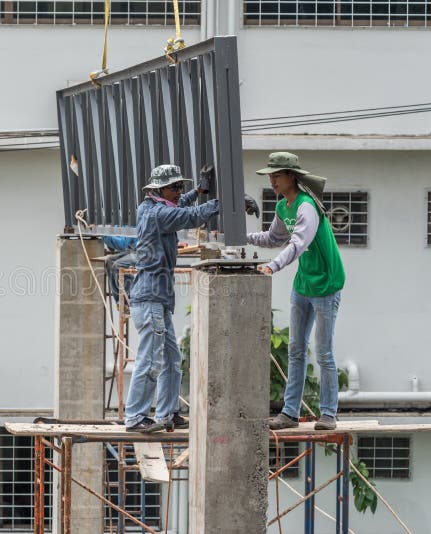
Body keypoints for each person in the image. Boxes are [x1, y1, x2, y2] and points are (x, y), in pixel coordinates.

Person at [125, 163, 260, 433]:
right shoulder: (157, 214)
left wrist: (198, 190)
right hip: (150, 298)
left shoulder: (153, 207)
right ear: (159, 189)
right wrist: (228, 202)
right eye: (175, 187)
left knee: (171, 360)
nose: (179, 191)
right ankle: (136, 417)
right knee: (150, 361)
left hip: (157, 298)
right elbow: (190, 217)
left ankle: (167, 413)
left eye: (181, 187)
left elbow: (182, 206)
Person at [248, 152, 346, 431]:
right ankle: (289, 414)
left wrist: (272, 267)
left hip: (326, 284)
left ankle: (328, 414)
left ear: (292, 176)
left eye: (276, 175)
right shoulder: (283, 207)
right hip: (303, 284)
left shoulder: (306, 207)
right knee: (295, 349)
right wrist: (238, 236)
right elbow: (274, 238)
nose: (272, 180)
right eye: (270, 175)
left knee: (324, 351)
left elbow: (298, 244)